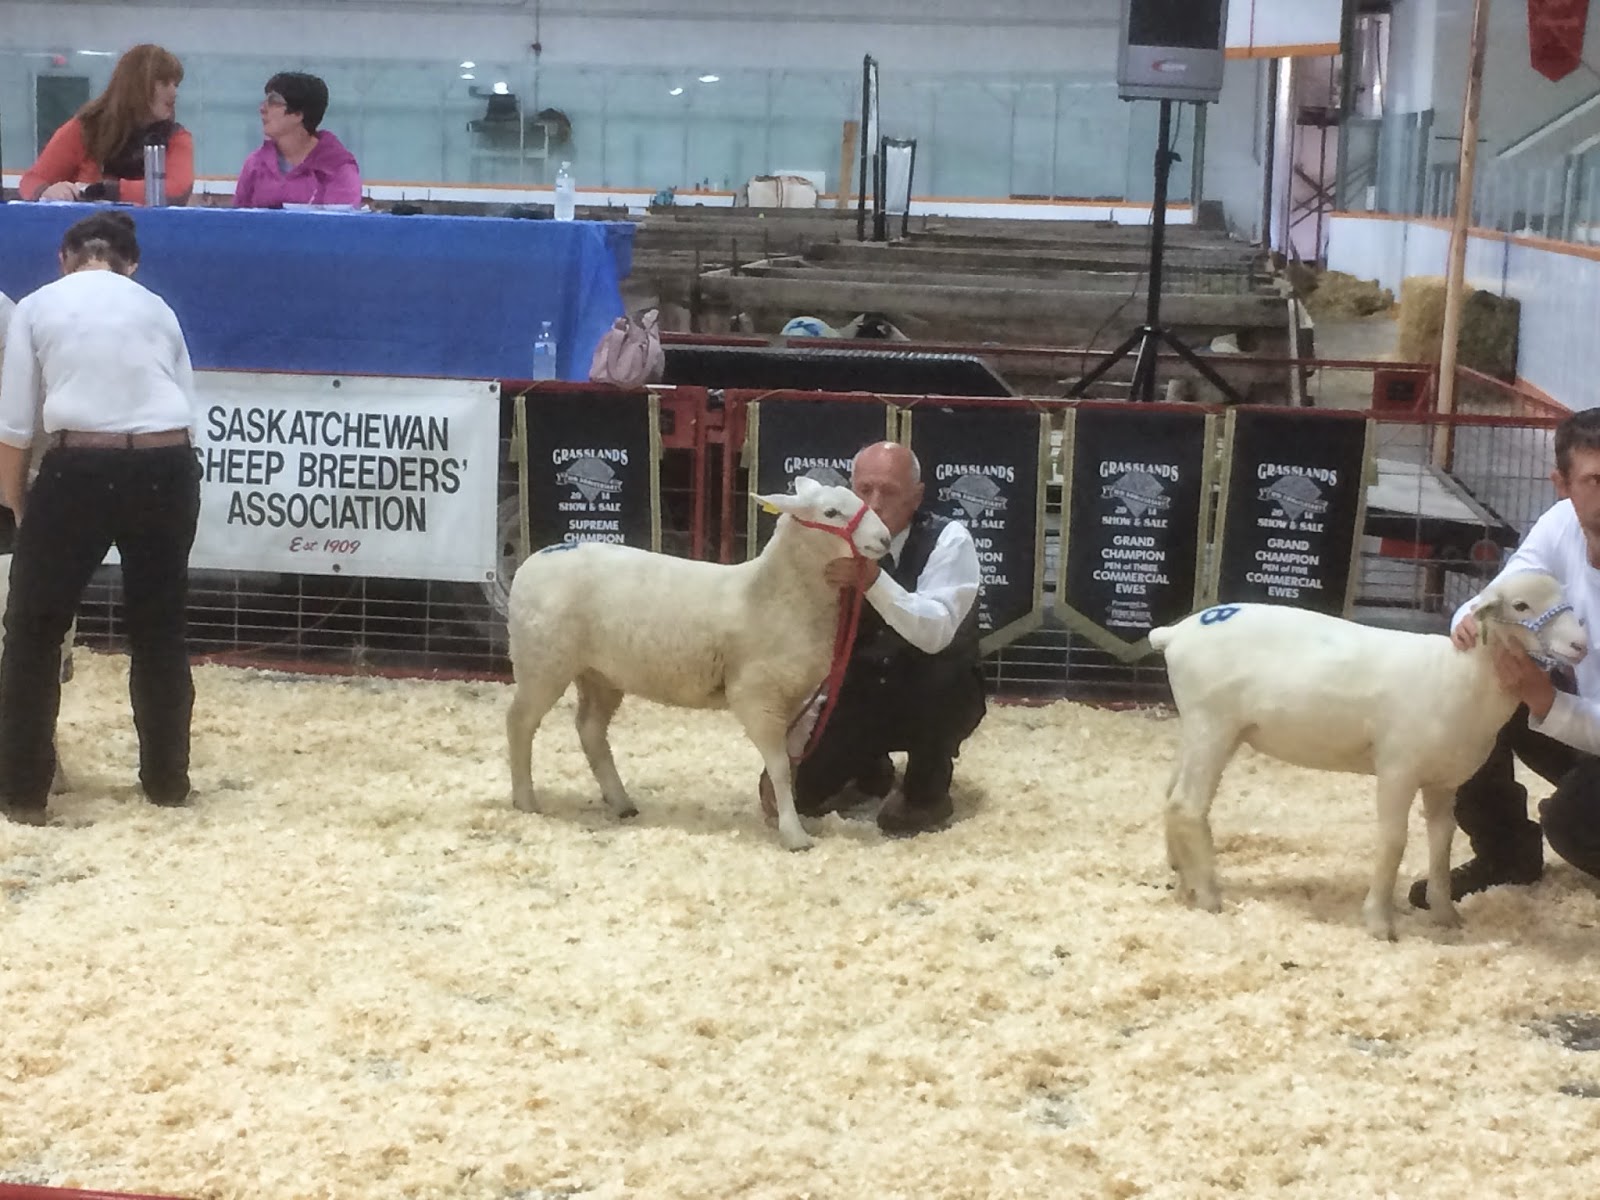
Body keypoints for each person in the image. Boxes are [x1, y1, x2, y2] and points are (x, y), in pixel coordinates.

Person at [0, 212, 203, 826]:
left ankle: (22, 793)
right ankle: (167, 784)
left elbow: (13, 425)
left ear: (64, 258)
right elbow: (189, 410)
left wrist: (14, 503)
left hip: (81, 464)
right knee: (160, 628)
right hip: (168, 464)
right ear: (130, 262)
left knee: (33, 630)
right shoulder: (159, 308)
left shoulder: (37, 306)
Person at [1409, 407, 1600, 908]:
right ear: (1563, 484)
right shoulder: (1562, 524)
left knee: (1574, 821)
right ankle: (1505, 853)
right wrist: (1469, 621)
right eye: (1595, 480)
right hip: (1582, 722)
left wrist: (1545, 701)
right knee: (1478, 693)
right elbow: (1501, 592)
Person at [762, 441, 987, 837]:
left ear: (916, 497)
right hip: (860, 691)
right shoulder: (828, 542)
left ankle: (927, 789)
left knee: (939, 682)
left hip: (932, 692)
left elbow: (934, 633)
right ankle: (869, 768)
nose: (875, 502)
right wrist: (784, 754)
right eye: (864, 490)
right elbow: (808, 644)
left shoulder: (950, 539)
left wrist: (874, 582)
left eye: (890, 491)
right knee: (799, 798)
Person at [19, 44, 194, 206]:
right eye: (165, 83)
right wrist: (47, 191)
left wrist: (103, 191)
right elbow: (31, 181)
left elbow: (176, 191)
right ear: (137, 85)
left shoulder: (176, 137)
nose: (174, 92)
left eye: (176, 84)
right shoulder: (85, 129)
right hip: (87, 233)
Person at [233, 72, 361, 209]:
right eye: (265, 101)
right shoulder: (255, 165)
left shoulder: (337, 169)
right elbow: (237, 223)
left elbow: (339, 226)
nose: (262, 109)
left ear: (298, 114)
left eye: (274, 102)